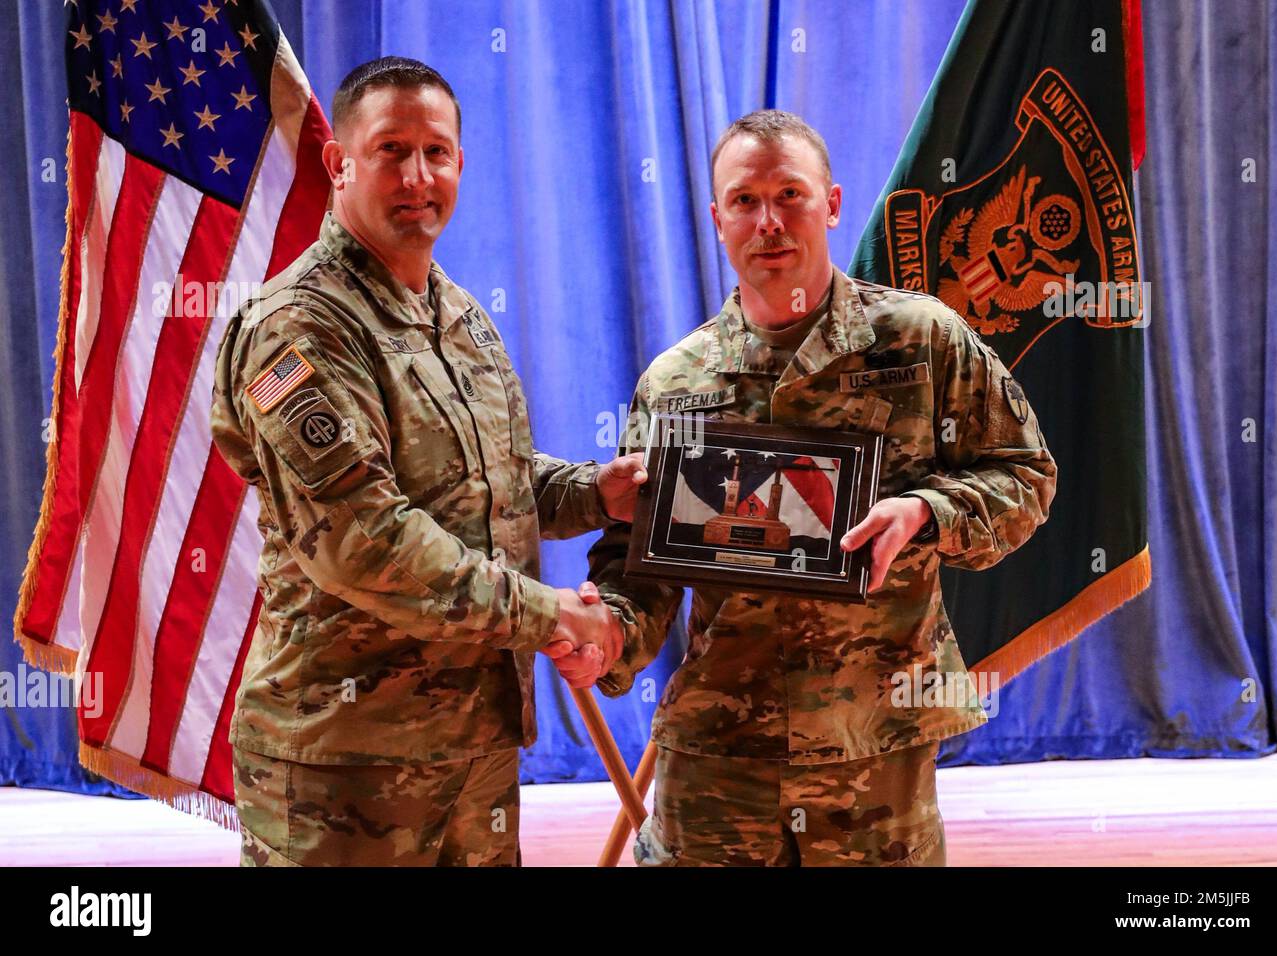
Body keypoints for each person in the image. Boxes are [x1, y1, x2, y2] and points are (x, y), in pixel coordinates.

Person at [582, 110, 1058, 866]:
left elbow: (1025, 474)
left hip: (874, 753)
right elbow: (639, 566)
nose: (767, 222)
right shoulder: (675, 382)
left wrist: (924, 512)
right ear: (716, 218)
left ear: (831, 204)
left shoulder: (922, 339)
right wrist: (605, 635)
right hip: (719, 755)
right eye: (744, 201)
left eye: (790, 195)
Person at [210, 57, 635, 866]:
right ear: (339, 163)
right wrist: (552, 614)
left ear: (460, 164)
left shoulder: (460, 314)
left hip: (474, 749)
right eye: (390, 150)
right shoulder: (298, 328)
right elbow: (366, 540)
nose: (417, 176)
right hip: (346, 763)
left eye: (436, 152)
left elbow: (487, 486)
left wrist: (593, 494)